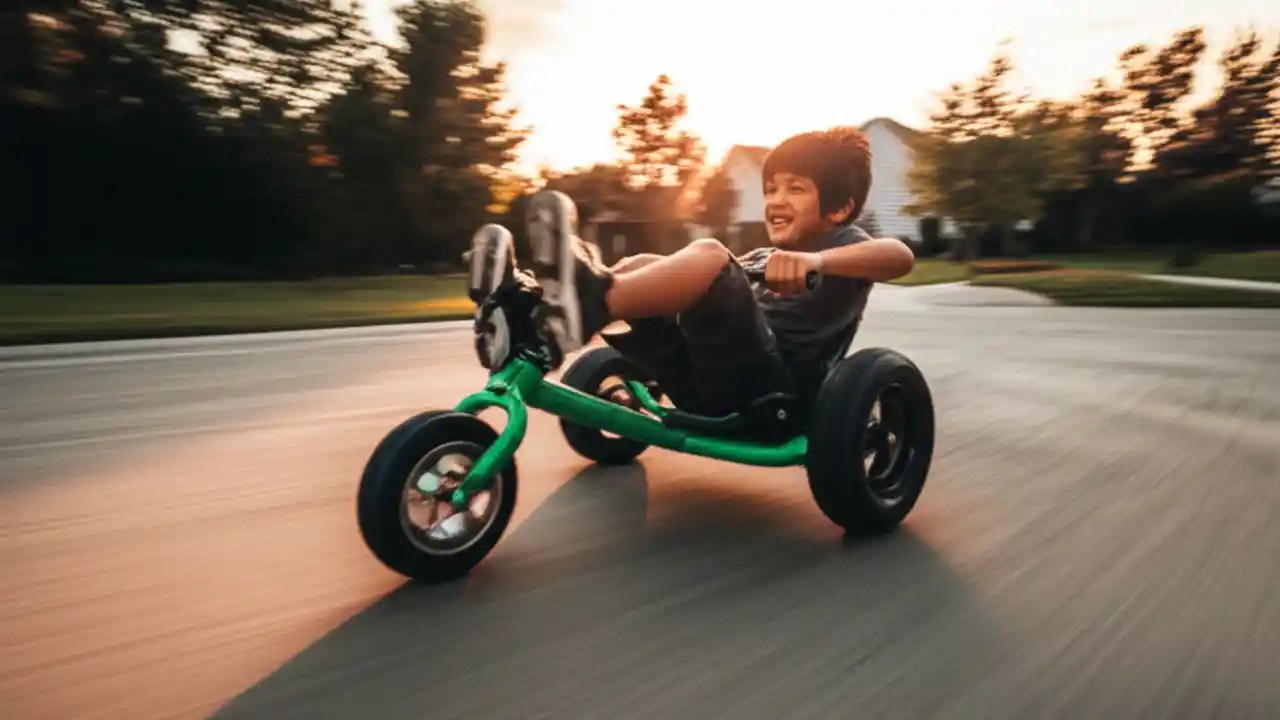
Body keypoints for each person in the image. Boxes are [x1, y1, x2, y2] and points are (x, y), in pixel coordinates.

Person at [469, 126, 916, 420]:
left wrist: (817, 262)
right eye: (771, 188)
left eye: (796, 189)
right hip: (707, 380)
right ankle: (530, 321)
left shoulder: (843, 246)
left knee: (707, 255)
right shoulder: (763, 255)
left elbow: (899, 256)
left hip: (771, 395)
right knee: (643, 266)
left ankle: (582, 305)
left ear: (839, 207)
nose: (776, 199)